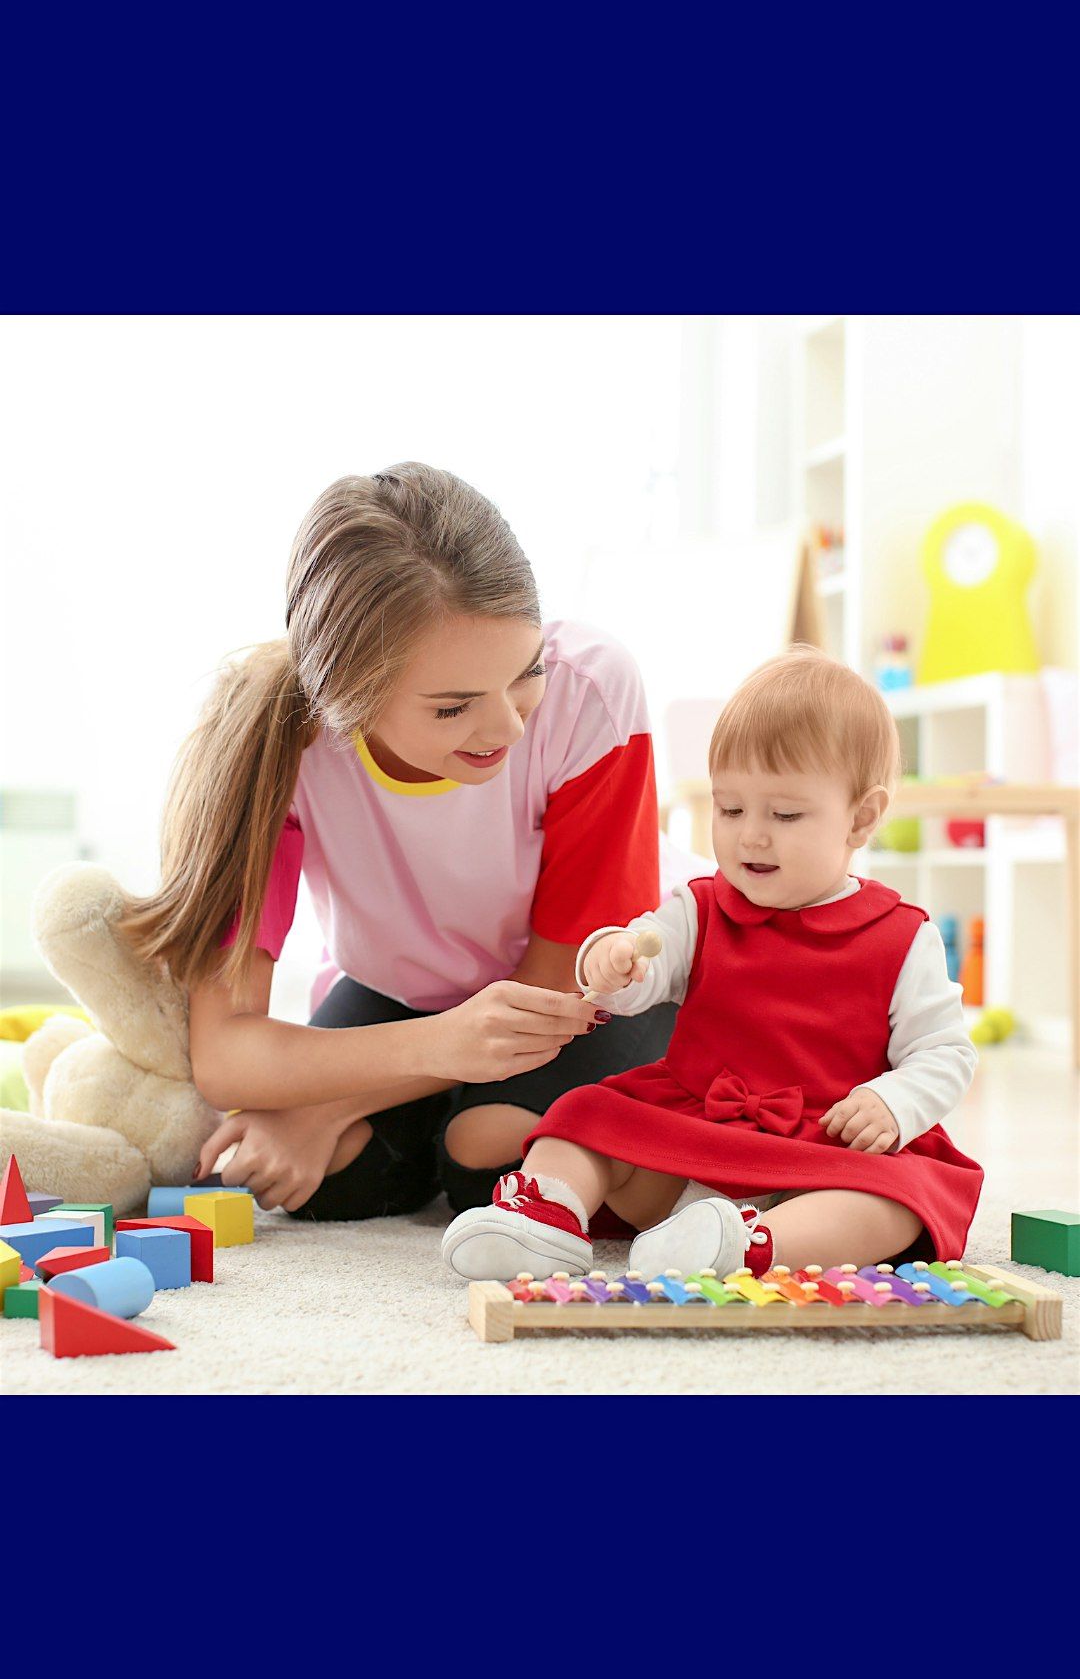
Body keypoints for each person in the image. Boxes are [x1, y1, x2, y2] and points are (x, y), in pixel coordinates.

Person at [122, 463, 695, 1220]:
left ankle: (455, 1120)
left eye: (525, 674)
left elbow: (560, 989)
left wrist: (326, 1105)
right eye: (454, 708)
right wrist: (435, 1050)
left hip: (591, 991)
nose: (507, 727)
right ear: (346, 701)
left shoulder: (592, 687)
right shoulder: (274, 750)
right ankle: (444, 1110)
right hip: (411, 997)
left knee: (490, 1171)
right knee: (321, 1186)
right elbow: (227, 1054)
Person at [442, 646, 984, 1282]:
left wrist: (893, 1103)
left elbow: (946, 1053)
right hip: (690, 1134)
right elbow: (643, 954)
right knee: (581, 1115)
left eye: (784, 814)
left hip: (819, 1154)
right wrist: (611, 961)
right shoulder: (700, 906)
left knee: (900, 1202)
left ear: (861, 818)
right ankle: (545, 1220)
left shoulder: (902, 935)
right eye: (730, 809)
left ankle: (749, 1246)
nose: (750, 835)